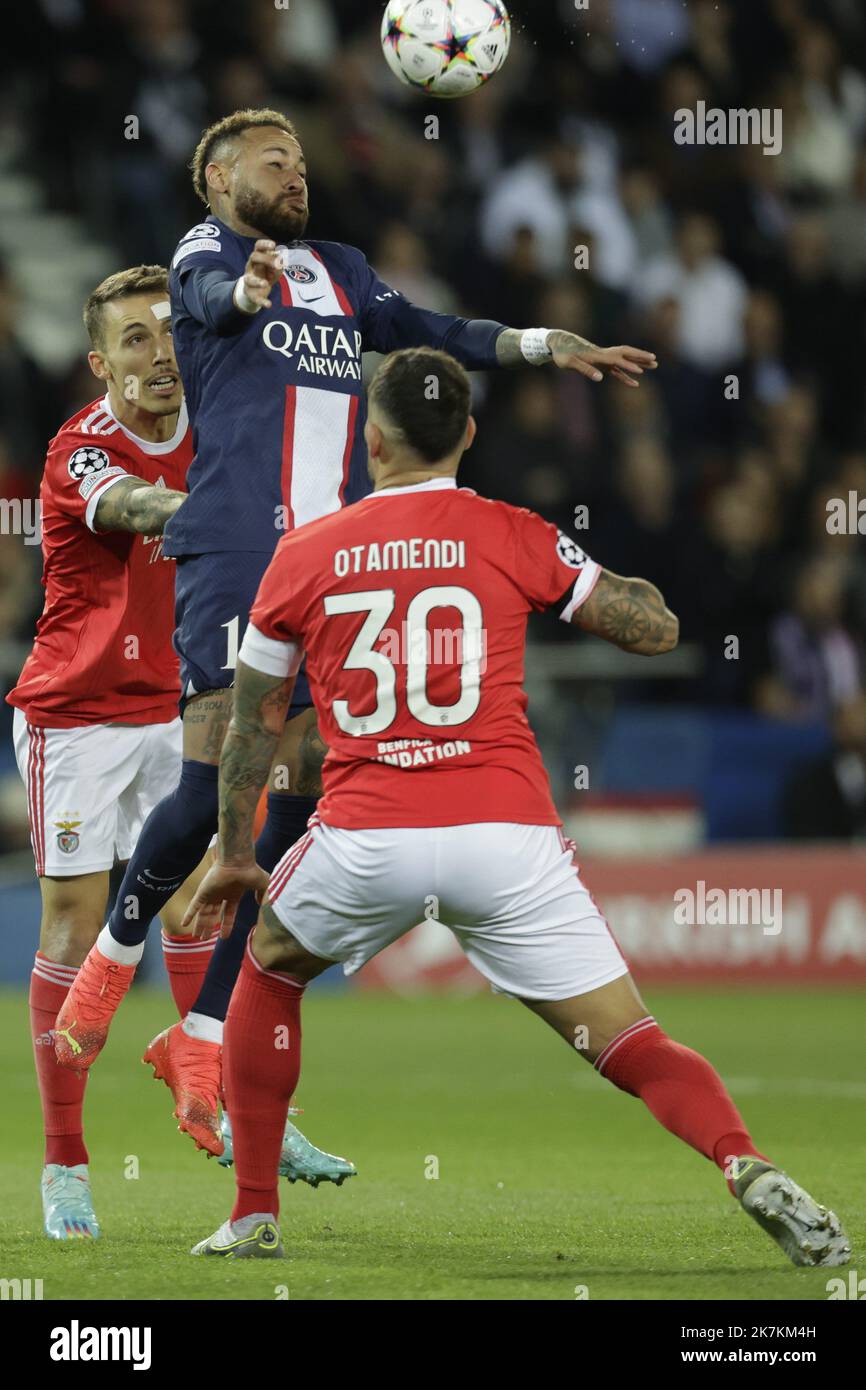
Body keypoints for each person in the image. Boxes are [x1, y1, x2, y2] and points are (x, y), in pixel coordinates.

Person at [55, 107, 658, 1159]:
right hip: (242, 546)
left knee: (301, 798)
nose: (295, 171)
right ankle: (111, 960)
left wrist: (538, 343)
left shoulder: (337, 268)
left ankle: (196, 1034)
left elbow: (432, 328)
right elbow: (206, 300)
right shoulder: (207, 253)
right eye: (271, 160)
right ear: (218, 177)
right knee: (212, 786)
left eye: (299, 157)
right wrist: (240, 290)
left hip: (330, 565)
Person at [182, 346, 848, 1269]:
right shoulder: (509, 530)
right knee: (630, 1039)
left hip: (370, 832)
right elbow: (651, 629)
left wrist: (233, 852)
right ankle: (745, 1161)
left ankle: (254, 1216)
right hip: (507, 834)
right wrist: (606, 571)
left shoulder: (305, 552)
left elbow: (251, 723)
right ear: (469, 434)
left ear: (370, 440)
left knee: (269, 967)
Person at [7, 266, 354, 1237]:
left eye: (168, 332)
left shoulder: (220, 426)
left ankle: (231, 1098)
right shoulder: (80, 448)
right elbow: (132, 508)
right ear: (99, 362)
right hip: (75, 713)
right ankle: (65, 1163)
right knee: (74, 931)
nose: (158, 352)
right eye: (133, 340)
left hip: (187, 705)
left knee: (215, 902)